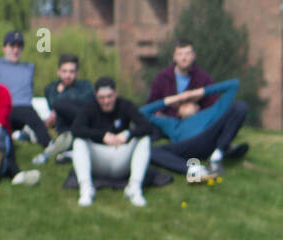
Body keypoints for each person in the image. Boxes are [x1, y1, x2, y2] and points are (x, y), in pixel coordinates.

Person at [145, 38, 247, 176]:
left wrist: (197, 92)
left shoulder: (203, 81)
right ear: (174, 57)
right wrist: (174, 102)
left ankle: (218, 154)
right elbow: (144, 111)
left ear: (193, 56)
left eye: (187, 53)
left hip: (208, 132)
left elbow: (234, 84)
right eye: (180, 54)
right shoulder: (171, 121)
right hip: (186, 142)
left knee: (240, 107)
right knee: (149, 151)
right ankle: (195, 170)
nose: (184, 57)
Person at [71, 76, 155, 207]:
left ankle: (134, 187)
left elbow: (147, 127)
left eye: (109, 96)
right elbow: (76, 129)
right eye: (101, 98)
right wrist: (102, 136)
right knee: (78, 142)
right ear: (95, 96)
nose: (106, 101)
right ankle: (86, 188)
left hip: (121, 156)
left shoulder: (126, 105)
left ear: (115, 93)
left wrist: (127, 134)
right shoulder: (89, 107)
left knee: (144, 139)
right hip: (99, 159)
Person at [0, 29, 50, 149]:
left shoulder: (29, 67)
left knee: (36, 122)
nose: (16, 50)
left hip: (24, 108)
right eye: (12, 46)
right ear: (4, 48)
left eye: (19, 46)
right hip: (4, 106)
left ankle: (50, 148)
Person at [34, 52, 93, 165]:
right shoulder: (50, 89)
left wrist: (58, 106)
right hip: (62, 128)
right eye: (64, 71)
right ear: (58, 72)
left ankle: (54, 153)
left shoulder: (85, 87)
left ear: (77, 73)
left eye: (71, 72)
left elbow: (86, 104)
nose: (68, 75)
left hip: (81, 123)